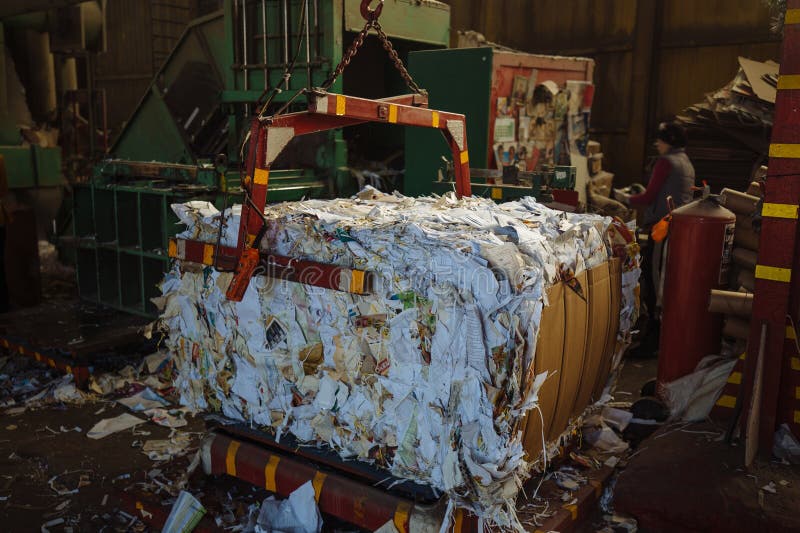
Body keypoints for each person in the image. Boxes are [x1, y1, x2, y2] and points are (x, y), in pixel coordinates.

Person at [616, 122, 695, 356]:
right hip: (678, 229)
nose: (657, 145)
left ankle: (652, 340)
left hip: (662, 229)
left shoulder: (666, 162)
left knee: (653, 282)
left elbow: (649, 196)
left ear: (668, 140)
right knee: (664, 282)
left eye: (660, 140)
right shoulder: (686, 162)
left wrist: (623, 198)